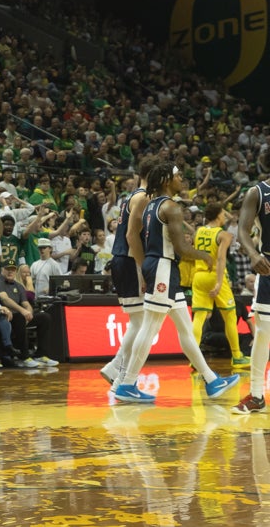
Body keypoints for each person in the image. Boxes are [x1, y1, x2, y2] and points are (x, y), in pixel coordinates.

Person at [112, 163, 239, 403]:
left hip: (160, 266)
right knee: (150, 327)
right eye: (178, 175)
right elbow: (181, 247)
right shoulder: (171, 207)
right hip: (162, 266)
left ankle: (211, 380)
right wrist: (204, 256)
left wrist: (144, 269)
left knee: (185, 328)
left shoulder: (151, 205)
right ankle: (127, 384)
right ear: (166, 180)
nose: (183, 179)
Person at [99, 159, 153, 385]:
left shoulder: (130, 196)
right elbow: (134, 238)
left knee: (136, 323)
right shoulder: (143, 197)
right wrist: (143, 272)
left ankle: (119, 373)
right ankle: (117, 370)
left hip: (121, 259)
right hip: (130, 260)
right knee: (141, 324)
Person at [191, 203, 248, 367]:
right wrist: (218, 282)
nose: (226, 216)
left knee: (199, 318)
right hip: (215, 275)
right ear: (217, 216)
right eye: (223, 213)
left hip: (199, 275)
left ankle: (195, 359)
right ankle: (237, 356)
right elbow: (222, 259)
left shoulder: (198, 231)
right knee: (230, 315)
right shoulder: (224, 235)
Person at [232, 180, 270, 414]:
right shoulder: (258, 192)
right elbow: (242, 232)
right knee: (264, 335)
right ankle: (256, 394)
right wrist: (253, 254)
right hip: (268, 267)